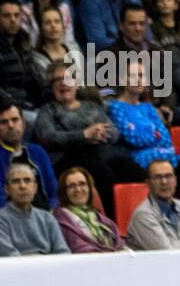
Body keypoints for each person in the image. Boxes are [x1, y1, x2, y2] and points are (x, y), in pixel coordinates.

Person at [34, 62, 144, 216]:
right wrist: (84, 135)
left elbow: (114, 132)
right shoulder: (48, 110)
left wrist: (101, 133)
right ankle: (110, 222)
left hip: (99, 151)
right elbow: (48, 137)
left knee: (134, 170)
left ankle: (136, 218)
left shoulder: (91, 106)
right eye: (57, 80)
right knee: (102, 172)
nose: (62, 83)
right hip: (68, 158)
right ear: (51, 88)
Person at [0, 104, 58, 212]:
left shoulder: (38, 152)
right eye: (4, 122)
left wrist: (52, 213)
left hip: (45, 216)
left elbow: (53, 192)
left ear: (23, 123)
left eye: (15, 120)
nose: (10, 125)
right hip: (10, 221)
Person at [0, 163, 71, 257]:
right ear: (7, 190)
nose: (22, 186)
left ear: (35, 188)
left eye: (27, 180)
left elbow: (63, 254)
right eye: (16, 181)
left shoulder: (47, 218)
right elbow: (9, 259)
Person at [125, 158, 180, 249]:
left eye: (168, 176)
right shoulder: (143, 214)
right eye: (157, 177)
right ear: (148, 184)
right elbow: (166, 253)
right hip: (157, 262)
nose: (164, 182)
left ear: (175, 180)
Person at [0, 0, 44, 116]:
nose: (13, 20)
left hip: (29, 101)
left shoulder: (24, 41)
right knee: (34, 120)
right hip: (6, 107)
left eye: (16, 15)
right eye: (7, 16)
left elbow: (35, 77)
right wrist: (20, 104)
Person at [53, 165, 125, 252]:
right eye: (72, 186)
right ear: (64, 192)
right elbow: (80, 249)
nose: (78, 189)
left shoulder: (99, 217)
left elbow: (120, 244)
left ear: (90, 188)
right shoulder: (61, 220)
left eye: (82, 184)